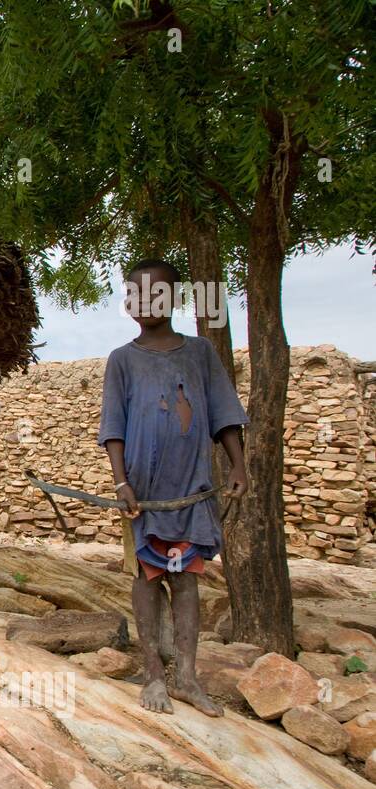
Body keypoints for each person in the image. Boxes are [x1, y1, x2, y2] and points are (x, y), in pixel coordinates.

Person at [98, 260, 248, 717]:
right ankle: (153, 675)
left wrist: (238, 464)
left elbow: (224, 412)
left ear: (175, 298)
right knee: (147, 575)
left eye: (156, 294)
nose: (145, 304)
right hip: (142, 495)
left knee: (187, 579)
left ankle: (186, 677)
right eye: (136, 296)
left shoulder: (200, 353)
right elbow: (114, 427)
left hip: (192, 490)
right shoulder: (122, 360)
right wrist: (121, 481)